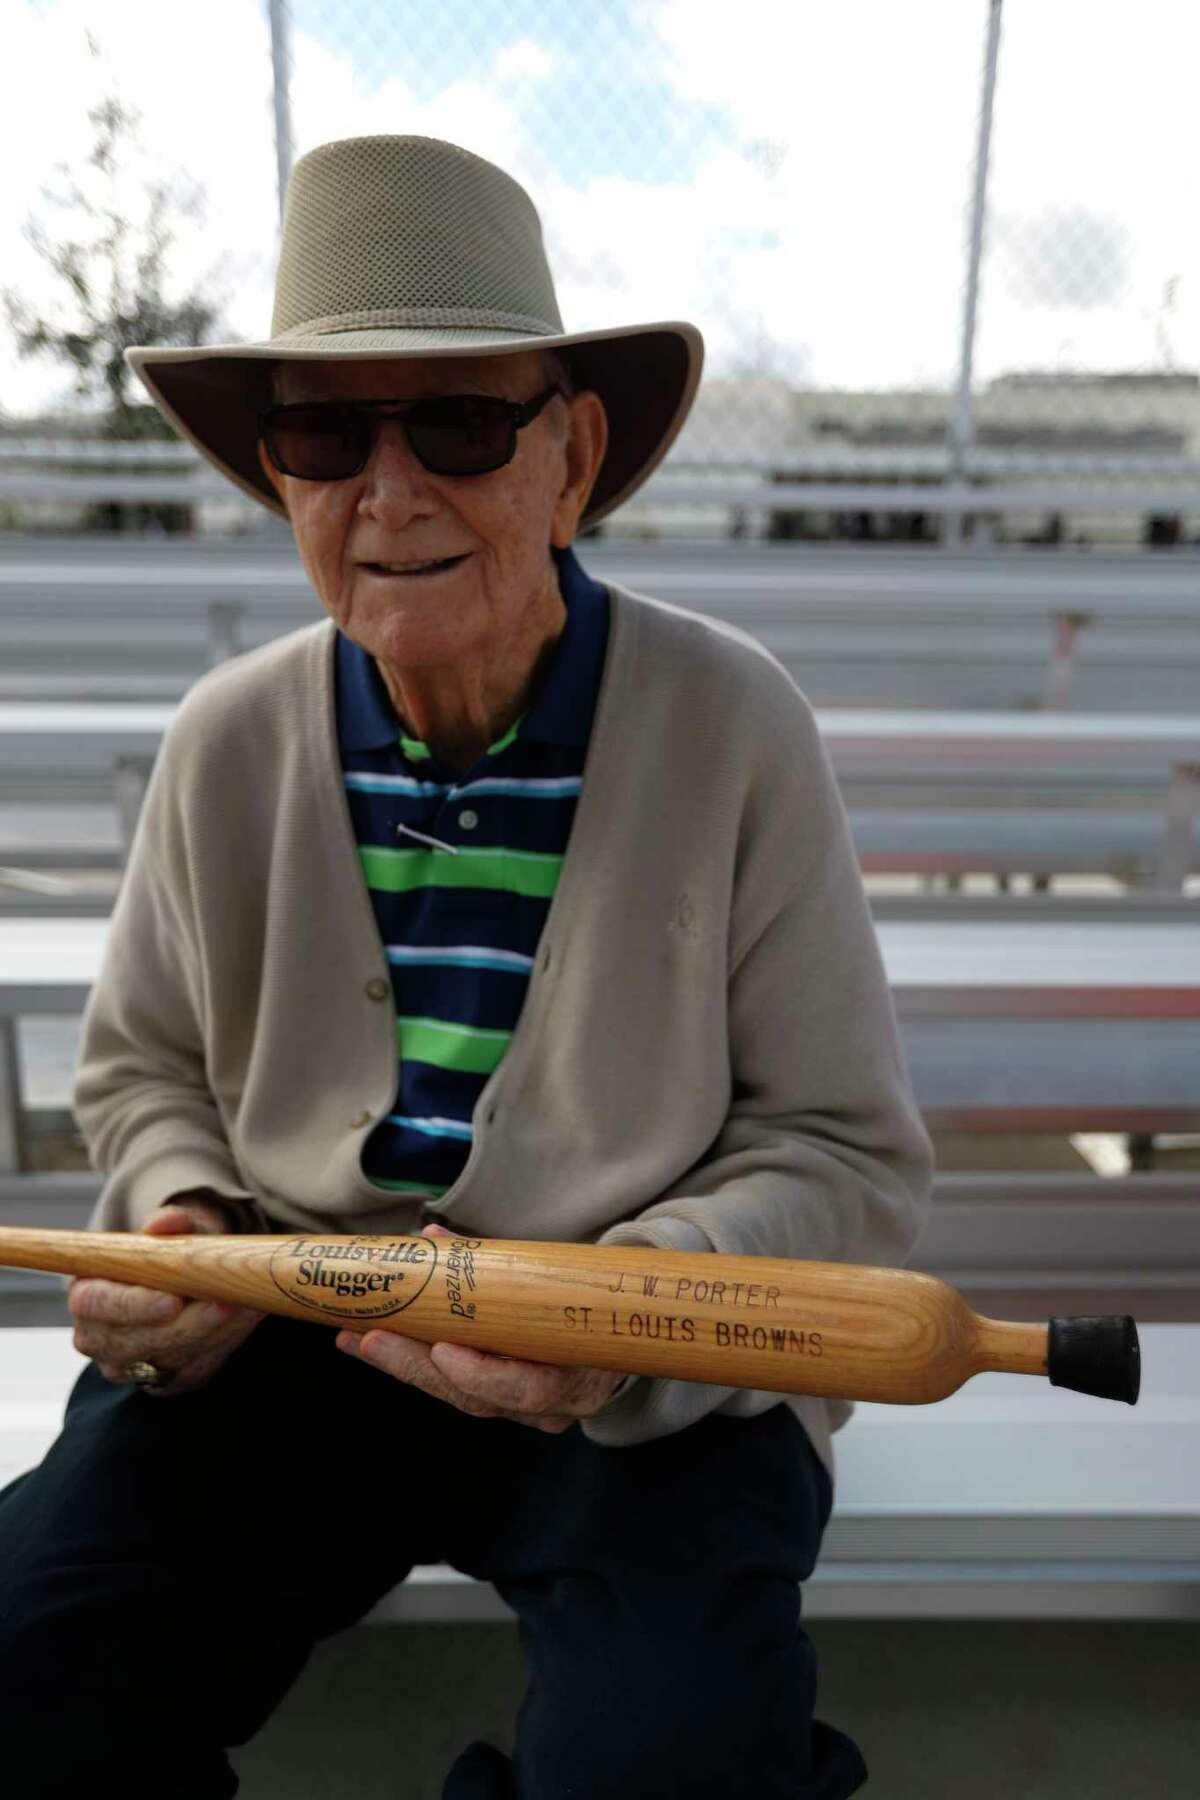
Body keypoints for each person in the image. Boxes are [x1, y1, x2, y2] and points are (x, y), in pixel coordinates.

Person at [0, 135, 933, 1799]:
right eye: (323, 435)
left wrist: (627, 1303)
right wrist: (189, 1231)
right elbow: (145, 1072)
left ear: (571, 459)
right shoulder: (227, 739)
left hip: (651, 1387)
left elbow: (845, 1158)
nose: (390, 490)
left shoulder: (733, 726)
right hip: (297, 1343)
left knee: (667, 1769)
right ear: (279, 479)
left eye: (458, 424)